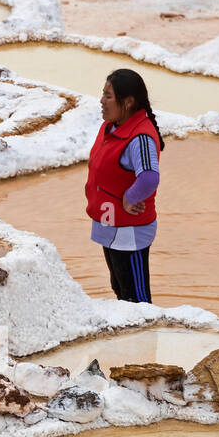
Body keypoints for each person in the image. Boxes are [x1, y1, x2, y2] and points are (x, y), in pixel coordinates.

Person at [84, 68, 164, 304]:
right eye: (103, 94)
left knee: (138, 301)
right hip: (111, 223)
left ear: (128, 102)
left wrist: (131, 197)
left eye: (108, 96)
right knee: (119, 287)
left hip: (130, 231)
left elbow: (149, 177)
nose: (101, 101)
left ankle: (148, 340)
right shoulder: (111, 127)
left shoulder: (139, 138)